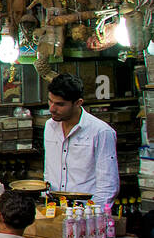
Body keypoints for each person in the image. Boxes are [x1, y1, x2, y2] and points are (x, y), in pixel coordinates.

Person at [43, 72, 119, 209]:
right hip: (54, 208)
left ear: (78, 103)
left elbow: (108, 185)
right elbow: (49, 170)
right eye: (50, 101)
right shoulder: (50, 126)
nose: (52, 108)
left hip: (85, 211)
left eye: (60, 104)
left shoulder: (101, 132)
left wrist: (93, 216)